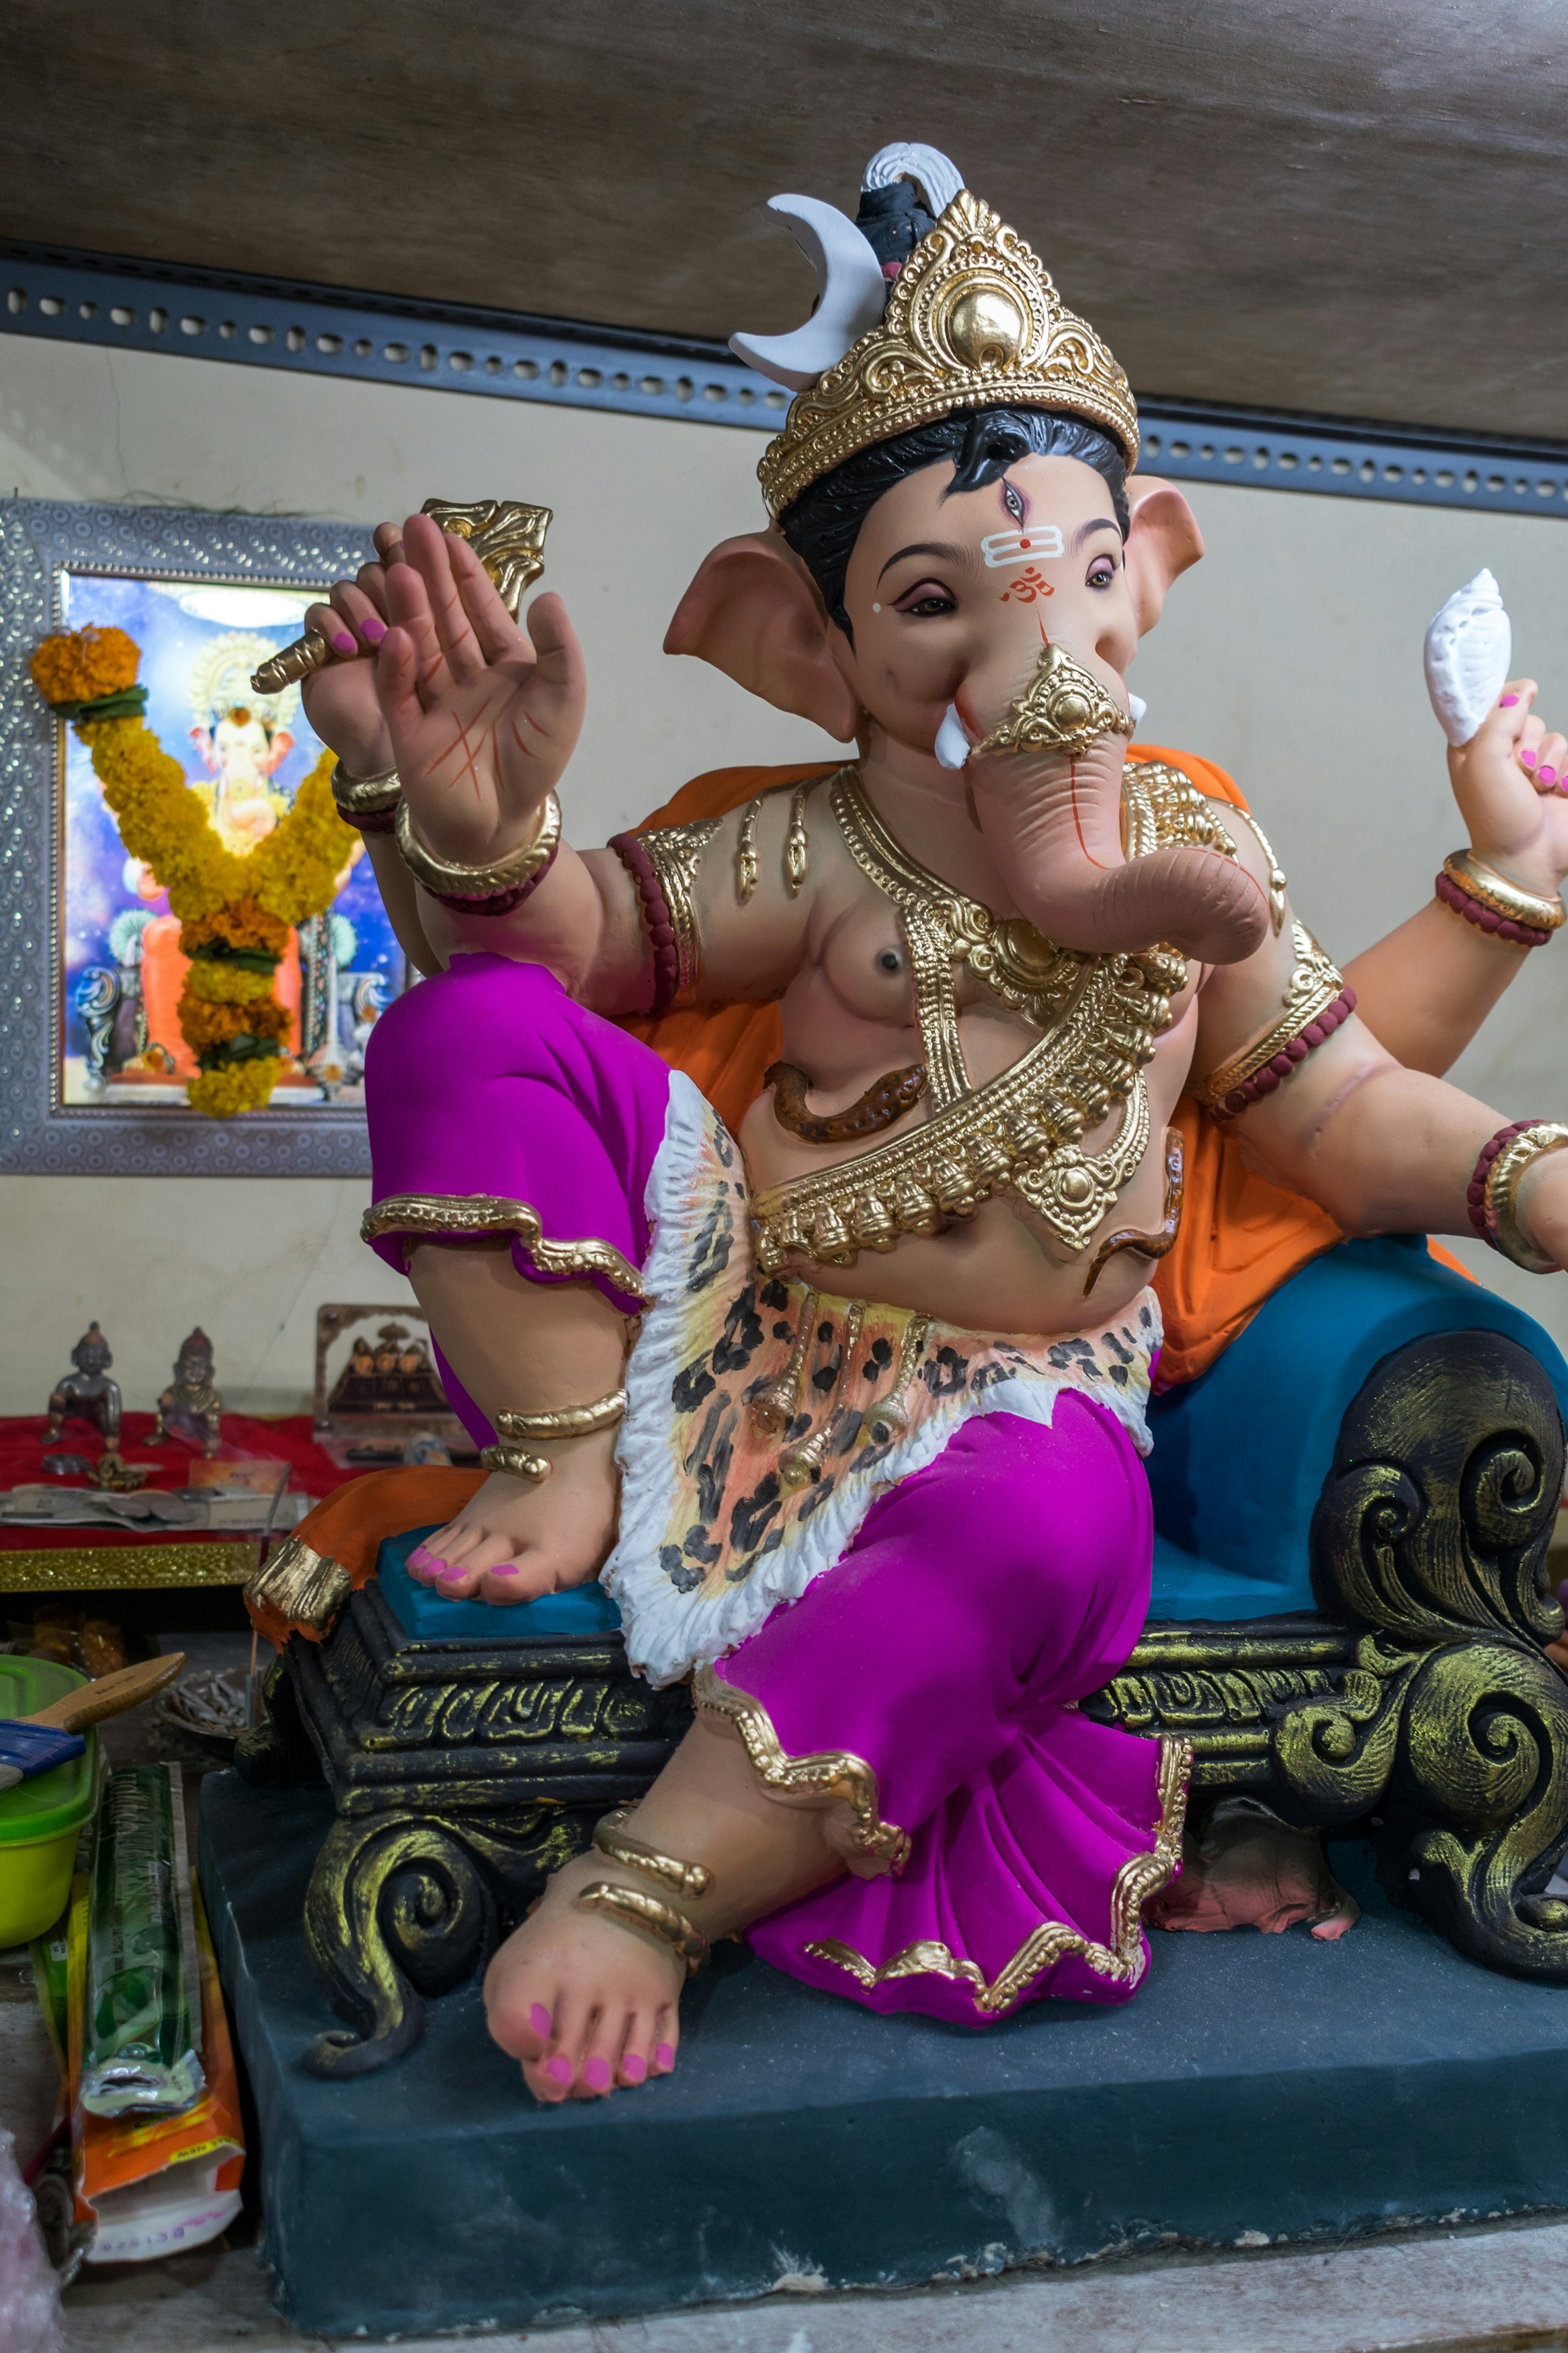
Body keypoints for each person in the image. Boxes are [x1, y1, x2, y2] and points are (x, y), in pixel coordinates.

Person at [294, 148, 1568, 2106]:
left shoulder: (1198, 840)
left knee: (1064, 1518)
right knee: (466, 1024)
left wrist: (1508, 1168)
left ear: (1144, 564)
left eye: (1067, 571)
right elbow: (578, 951)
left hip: (1029, 1386)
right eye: (933, 596)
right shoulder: (808, 840)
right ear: (809, 646)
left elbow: (1338, 1109)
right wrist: (477, 820)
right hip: (751, 1316)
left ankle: (655, 1883)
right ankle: (562, 1451)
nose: (1023, 630)